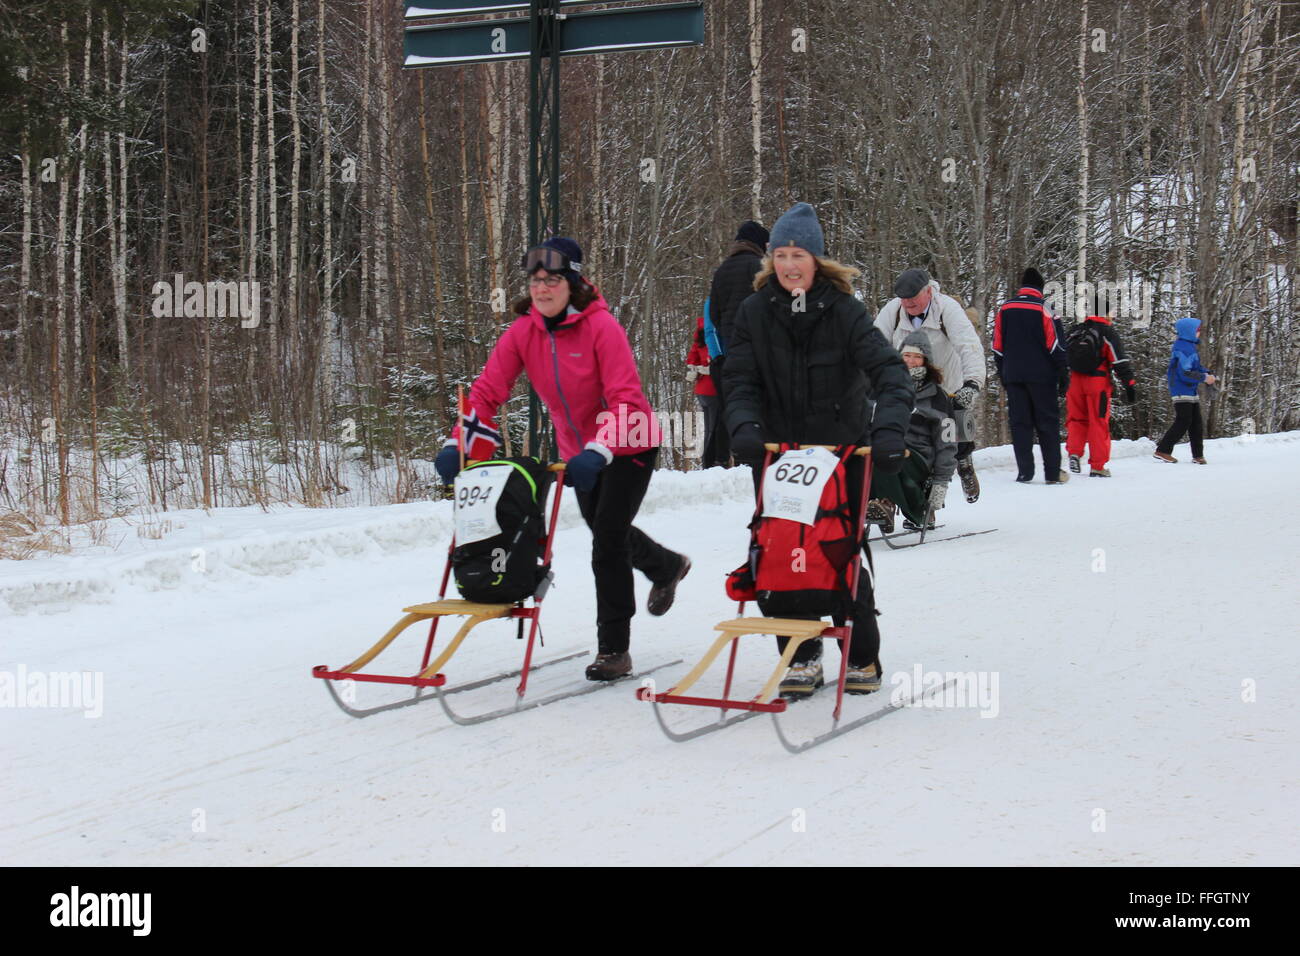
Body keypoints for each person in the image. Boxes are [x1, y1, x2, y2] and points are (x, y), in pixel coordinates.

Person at [434, 237, 691, 682]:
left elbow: (625, 397)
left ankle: (614, 649)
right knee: (605, 530)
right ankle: (665, 565)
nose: (542, 289)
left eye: (552, 280)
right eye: (535, 281)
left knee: (606, 541)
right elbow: (487, 394)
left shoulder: (601, 327)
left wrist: (600, 449)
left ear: (572, 283)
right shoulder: (523, 333)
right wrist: (460, 444)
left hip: (629, 443)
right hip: (580, 453)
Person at [723, 202, 913, 699]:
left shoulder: (845, 313)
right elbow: (738, 380)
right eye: (781, 254)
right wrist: (742, 425)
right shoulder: (753, 311)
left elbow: (891, 375)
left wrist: (889, 431)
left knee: (837, 550)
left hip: (840, 454)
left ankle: (862, 650)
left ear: (817, 260)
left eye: (799, 254)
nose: (789, 265)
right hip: (778, 455)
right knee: (779, 552)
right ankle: (801, 654)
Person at [875, 268, 987, 502]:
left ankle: (964, 463)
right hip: (910, 382)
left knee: (955, 429)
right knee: (915, 436)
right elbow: (874, 344)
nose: (907, 304)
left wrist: (972, 383)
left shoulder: (947, 309)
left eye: (912, 299)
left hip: (947, 383)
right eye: (904, 299)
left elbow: (969, 346)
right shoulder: (894, 310)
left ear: (927, 291)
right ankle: (919, 497)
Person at [867, 331, 958, 532]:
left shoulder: (937, 397)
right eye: (906, 355)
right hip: (882, 443)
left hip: (917, 455)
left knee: (888, 455)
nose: (911, 361)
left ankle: (890, 505)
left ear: (926, 362)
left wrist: (941, 481)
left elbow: (947, 443)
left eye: (917, 357)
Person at [991, 268, 1070, 484]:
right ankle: (1053, 473)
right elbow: (1055, 344)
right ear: (1040, 287)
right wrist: (1063, 372)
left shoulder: (1005, 308)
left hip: (1013, 375)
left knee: (1020, 424)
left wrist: (1003, 371)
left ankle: (1025, 472)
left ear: (1022, 286)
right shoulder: (1046, 308)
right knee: (1048, 423)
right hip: (1042, 376)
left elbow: (997, 346)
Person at [1065, 288, 1137, 477]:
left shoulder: (1076, 330)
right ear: (1105, 312)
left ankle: (1074, 452)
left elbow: (1063, 355)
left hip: (1074, 381)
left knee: (1076, 419)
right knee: (1098, 422)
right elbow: (1119, 360)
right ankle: (1097, 466)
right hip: (1097, 382)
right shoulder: (1107, 331)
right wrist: (1129, 383)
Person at [706, 221, 769, 426]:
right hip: (760, 349)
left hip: (731, 350)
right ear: (759, 243)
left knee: (740, 408)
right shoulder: (760, 267)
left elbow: (713, 314)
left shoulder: (721, 271)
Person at [1154, 317, 1217, 464]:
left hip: (1189, 389)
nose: (1199, 332)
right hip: (1181, 388)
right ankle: (1163, 450)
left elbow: (1194, 367)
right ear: (1189, 331)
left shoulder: (1189, 346)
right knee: (1184, 420)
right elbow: (1185, 372)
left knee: (1196, 423)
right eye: (1197, 330)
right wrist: (1204, 378)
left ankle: (1198, 455)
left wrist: (1207, 373)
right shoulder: (1183, 347)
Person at [685, 310, 725, 468]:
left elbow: (691, 358)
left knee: (710, 428)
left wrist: (695, 369)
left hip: (701, 390)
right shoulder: (715, 333)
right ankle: (712, 463)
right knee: (714, 429)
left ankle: (708, 463)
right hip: (713, 389)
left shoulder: (700, 333)